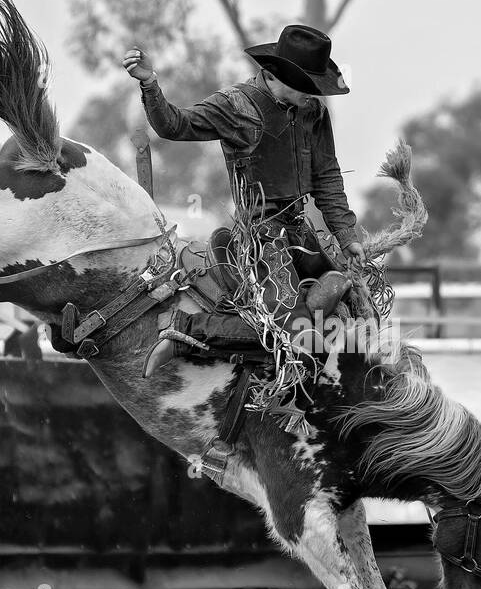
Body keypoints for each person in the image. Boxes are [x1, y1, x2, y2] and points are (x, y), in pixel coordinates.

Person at [122, 24, 364, 377]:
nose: (314, 95)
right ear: (275, 75)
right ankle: (187, 329)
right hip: (260, 238)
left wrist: (348, 236)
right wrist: (149, 83)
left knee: (351, 307)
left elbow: (326, 176)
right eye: (307, 87)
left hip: (302, 234)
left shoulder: (313, 111)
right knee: (302, 339)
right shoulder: (237, 106)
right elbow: (173, 125)